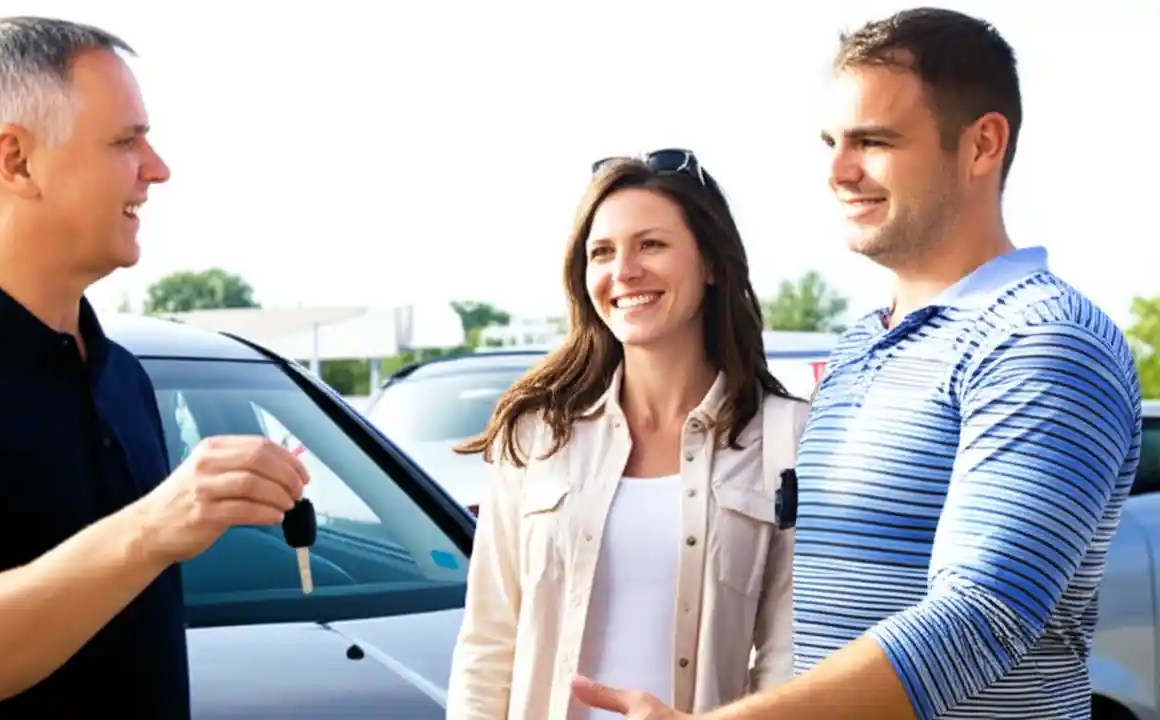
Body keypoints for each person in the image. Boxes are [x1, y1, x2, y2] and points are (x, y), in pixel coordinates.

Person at [571, 7, 1143, 720]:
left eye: (873, 141)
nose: (839, 171)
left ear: (982, 145)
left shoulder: (1044, 340)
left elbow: (983, 616)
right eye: (831, 141)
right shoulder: (858, 347)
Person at [0, 17, 309, 719]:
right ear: (15, 161)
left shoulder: (121, 375)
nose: (158, 168)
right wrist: (151, 528)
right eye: (124, 141)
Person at [445, 148, 810, 720]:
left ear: (711, 262)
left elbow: (789, 660)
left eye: (652, 244)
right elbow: (488, 646)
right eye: (603, 253)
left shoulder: (787, 438)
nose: (624, 271)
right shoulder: (537, 436)